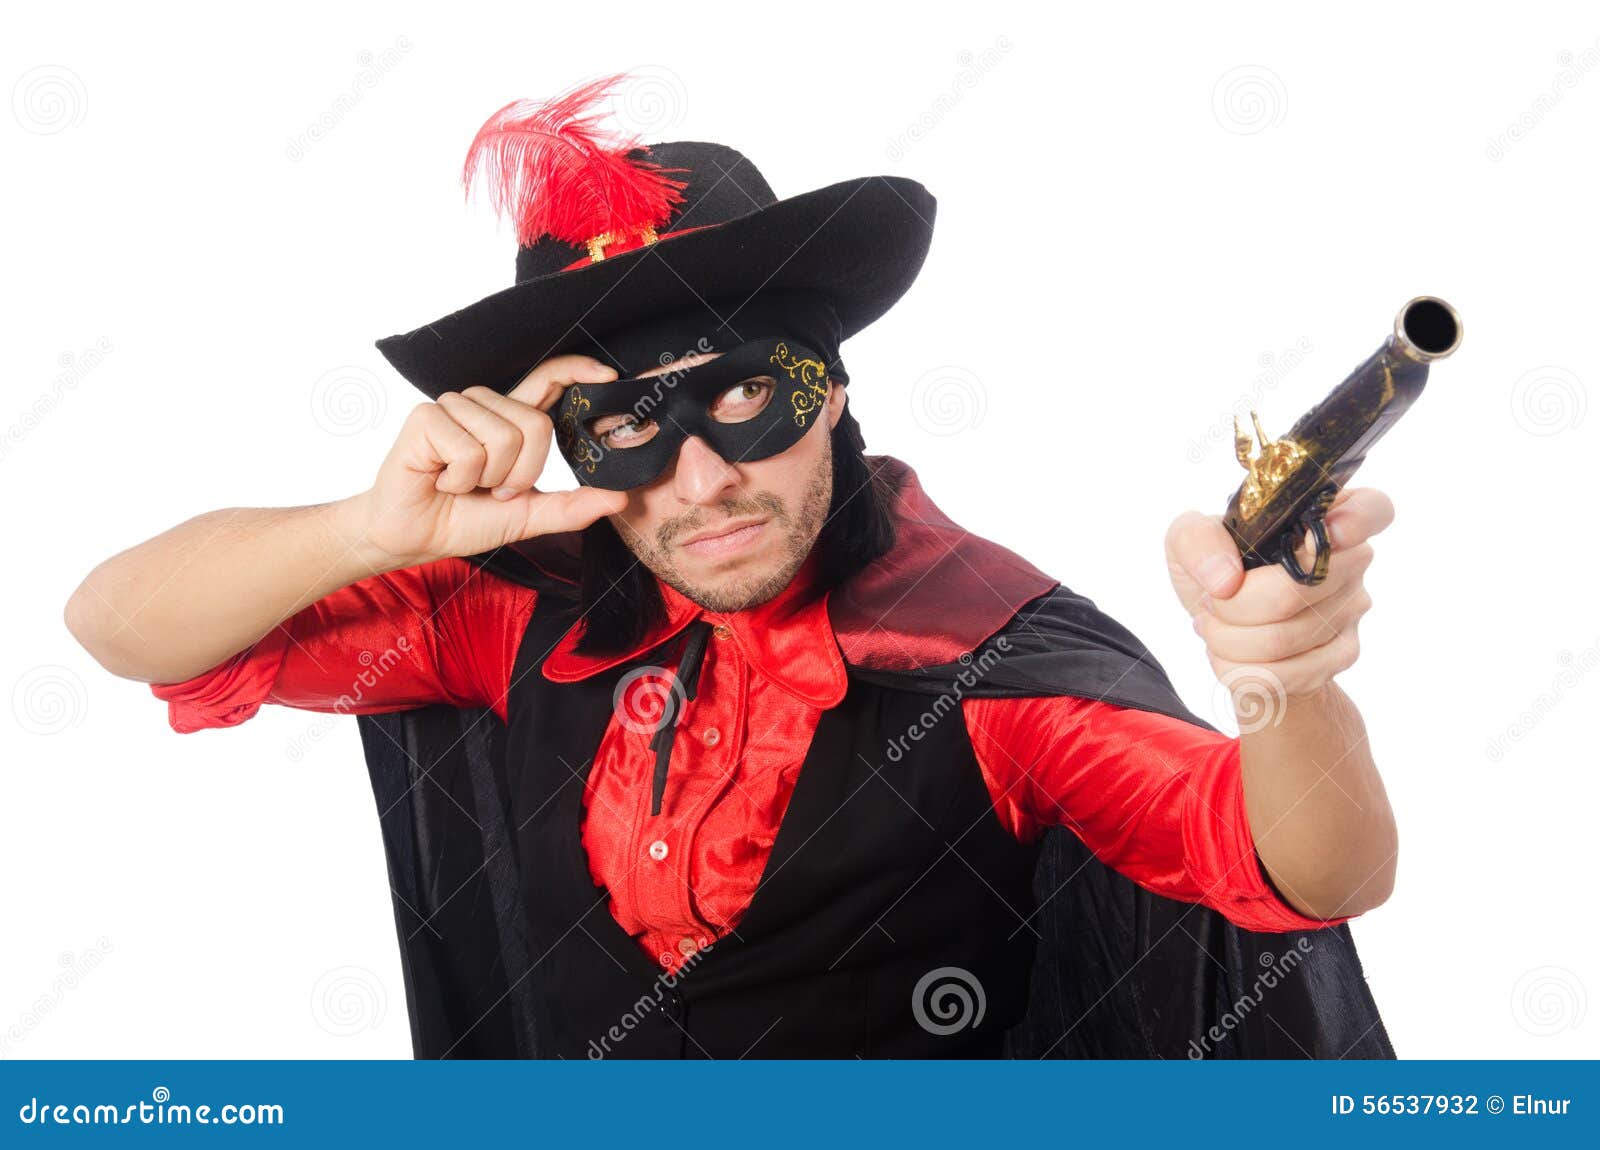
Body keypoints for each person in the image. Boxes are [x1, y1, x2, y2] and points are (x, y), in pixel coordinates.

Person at [64, 75, 1397, 1059]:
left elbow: (1308, 872)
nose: (703, 482)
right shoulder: (517, 616)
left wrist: (1283, 676)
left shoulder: (983, 663)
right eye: (632, 427)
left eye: (749, 398)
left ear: (829, 391)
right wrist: (371, 529)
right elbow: (120, 623)